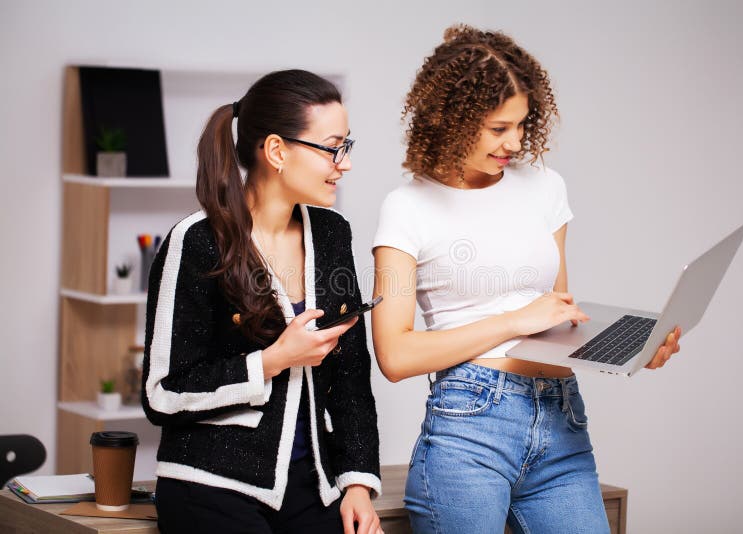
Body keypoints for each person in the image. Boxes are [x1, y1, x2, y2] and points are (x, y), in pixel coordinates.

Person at [371, 26, 682, 534]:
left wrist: (633, 349)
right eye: (498, 129)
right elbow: (396, 356)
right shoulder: (408, 207)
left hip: (562, 422)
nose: (514, 142)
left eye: (521, 125)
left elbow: (557, 317)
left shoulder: (544, 188)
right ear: (452, 120)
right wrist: (513, 319)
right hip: (470, 428)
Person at [142, 69, 383, 534]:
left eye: (346, 147)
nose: (345, 163)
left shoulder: (333, 235)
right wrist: (271, 361)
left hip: (312, 487)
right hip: (210, 485)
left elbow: (351, 378)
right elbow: (162, 392)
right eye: (333, 147)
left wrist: (356, 485)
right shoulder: (196, 241)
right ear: (276, 150)